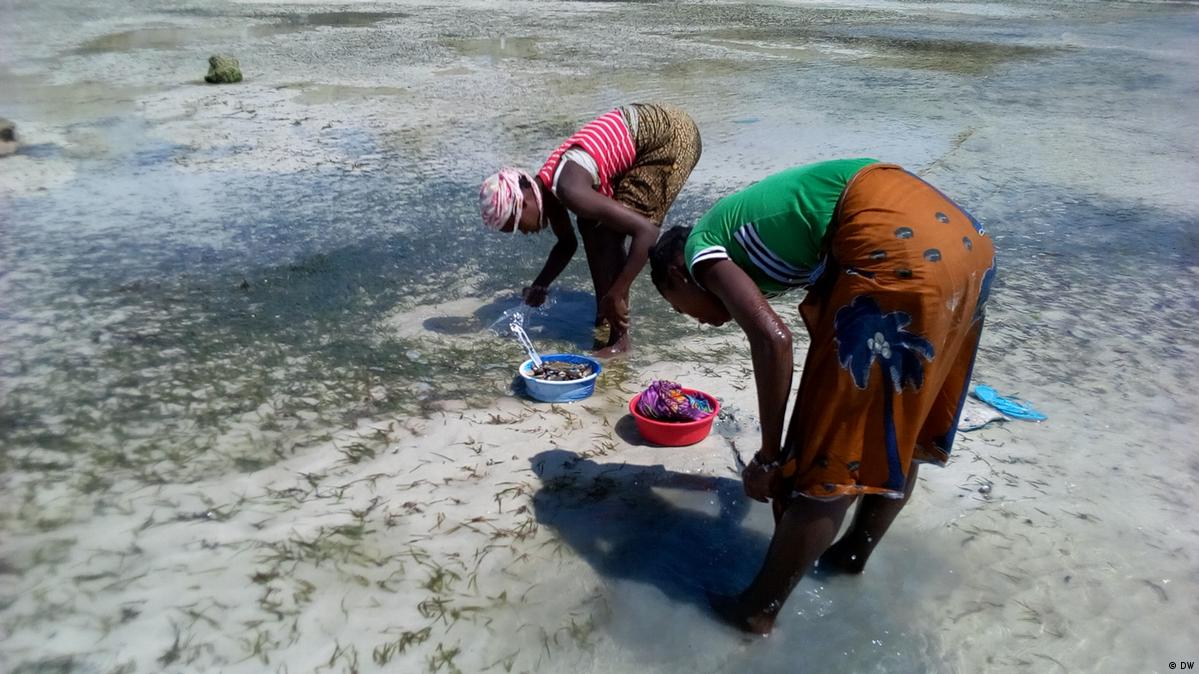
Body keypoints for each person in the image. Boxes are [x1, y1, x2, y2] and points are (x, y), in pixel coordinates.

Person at [648, 159, 996, 635]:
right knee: (898, 427)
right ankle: (853, 554)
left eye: (676, 306)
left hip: (900, 248)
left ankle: (757, 610)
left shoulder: (698, 248)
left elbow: (773, 341)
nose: (695, 318)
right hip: (966, 246)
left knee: (831, 451)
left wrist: (773, 458)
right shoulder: (763, 237)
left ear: (676, 277)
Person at [480, 103, 701, 357]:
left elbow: (647, 232)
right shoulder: (551, 186)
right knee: (590, 224)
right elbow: (567, 244)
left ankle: (620, 339)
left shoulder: (568, 188)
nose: (525, 232)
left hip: (671, 137)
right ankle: (605, 313)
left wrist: (617, 291)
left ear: (524, 203)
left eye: (517, 225)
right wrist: (539, 285)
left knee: (606, 233)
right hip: (652, 128)